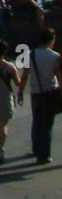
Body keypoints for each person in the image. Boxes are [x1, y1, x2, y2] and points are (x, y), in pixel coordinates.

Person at [19, 27, 62, 165]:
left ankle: (36, 149)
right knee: (47, 125)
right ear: (51, 40)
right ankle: (44, 156)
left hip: (35, 93)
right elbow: (59, 77)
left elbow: (24, 75)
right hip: (50, 93)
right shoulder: (55, 57)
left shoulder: (29, 55)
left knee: (36, 122)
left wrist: (20, 92)